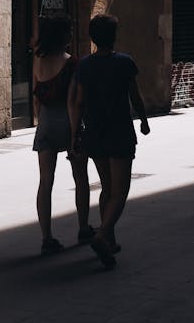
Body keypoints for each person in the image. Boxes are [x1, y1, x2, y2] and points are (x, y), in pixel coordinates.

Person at [69, 14, 150, 269]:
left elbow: (79, 102)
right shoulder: (125, 62)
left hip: (94, 133)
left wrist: (75, 135)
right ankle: (103, 234)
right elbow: (135, 96)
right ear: (113, 36)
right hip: (120, 132)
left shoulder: (84, 65)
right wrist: (144, 120)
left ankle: (110, 240)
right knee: (120, 191)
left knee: (106, 187)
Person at [31, 15, 92, 255]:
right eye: (69, 31)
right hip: (68, 123)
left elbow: (36, 97)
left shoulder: (38, 60)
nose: (71, 35)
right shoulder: (72, 63)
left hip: (46, 123)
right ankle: (84, 227)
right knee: (80, 177)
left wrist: (40, 123)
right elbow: (72, 102)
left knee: (45, 181)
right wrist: (76, 135)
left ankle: (46, 237)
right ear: (63, 35)